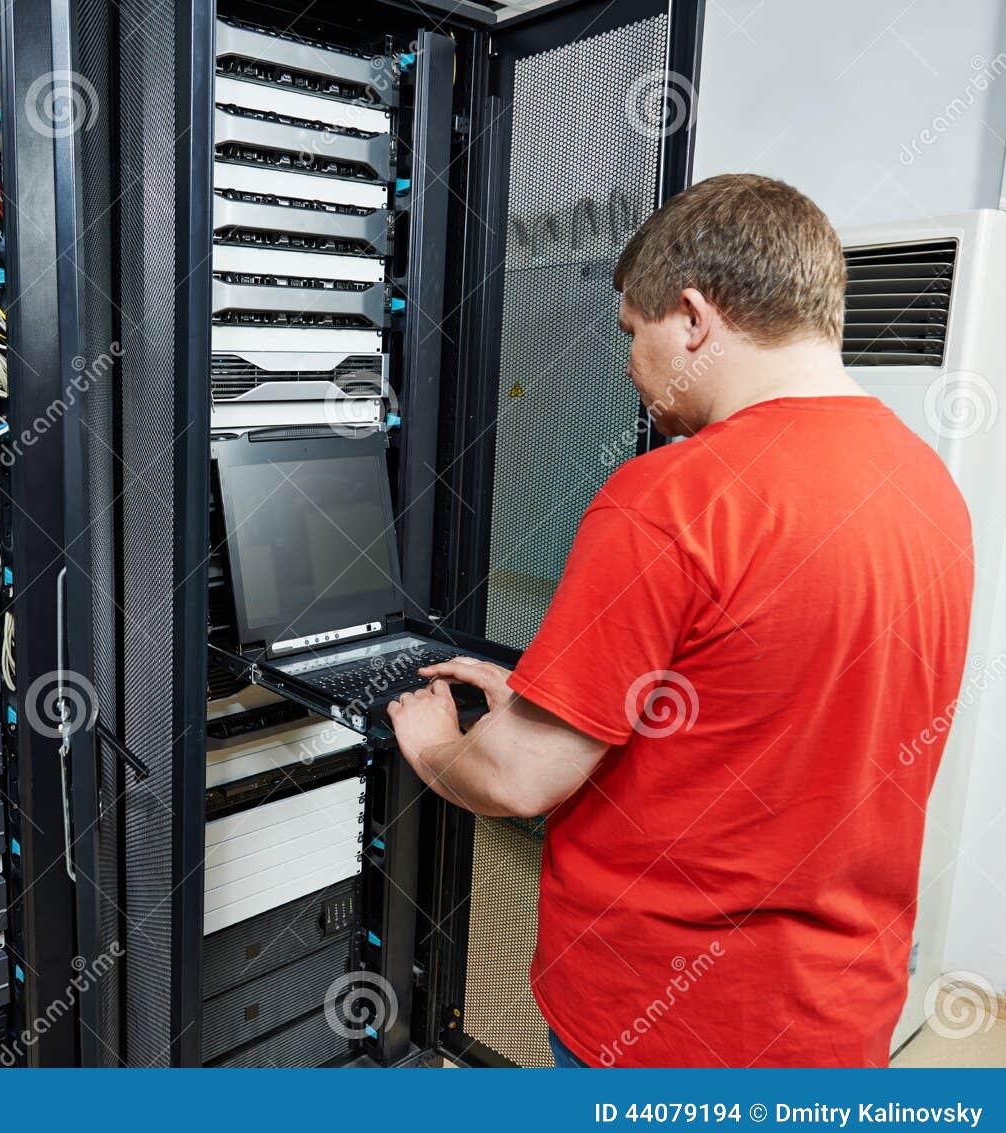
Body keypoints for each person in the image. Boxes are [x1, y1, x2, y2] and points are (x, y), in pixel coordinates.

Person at [387, 174, 973, 1067]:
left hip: (661, 1020)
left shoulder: (670, 497)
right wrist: (549, 696)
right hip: (837, 1011)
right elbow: (770, 705)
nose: (630, 365)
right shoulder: (927, 484)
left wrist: (434, 746)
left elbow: (516, 781)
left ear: (694, 321)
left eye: (633, 332)